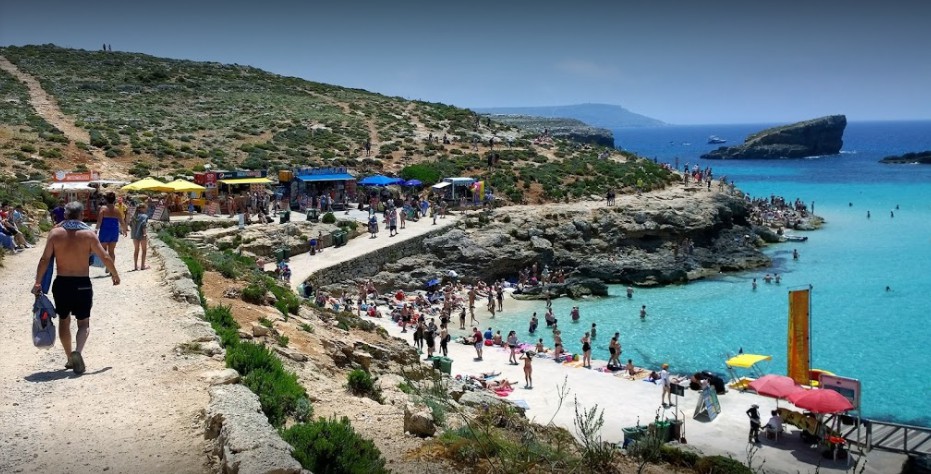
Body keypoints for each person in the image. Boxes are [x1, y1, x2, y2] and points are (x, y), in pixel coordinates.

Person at [33, 201, 120, 374]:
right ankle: (78, 352)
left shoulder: (55, 233)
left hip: (62, 283)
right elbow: (104, 256)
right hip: (82, 284)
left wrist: (38, 282)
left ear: (65, 215)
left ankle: (69, 358)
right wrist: (114, 274)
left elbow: (44, 259)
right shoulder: (88, 235)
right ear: (81, 215)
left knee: (64, 321)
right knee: (83, 323)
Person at [95, 192, 127, 269]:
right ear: (114, 200)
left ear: (106, 199)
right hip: (114, 232)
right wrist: (124, 230)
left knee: (103, 250)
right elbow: (122, 222)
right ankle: (110, 268)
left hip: (104, 231)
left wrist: (96, 230)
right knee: (111, 251)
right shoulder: (117, 210)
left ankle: (107, 265)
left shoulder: (103, 209)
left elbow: (99, 221)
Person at [130, 202, 149, 270]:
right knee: (144, 250)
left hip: (134, 235)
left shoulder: (134, 216)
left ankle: (135, 266)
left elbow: (130, 224)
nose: (146, 210)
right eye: (145, 208)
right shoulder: (144, 216)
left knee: (136, 250)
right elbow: (144, 225)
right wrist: (145, 233)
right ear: (142, 209)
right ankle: (142, 266)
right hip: (142, 235)